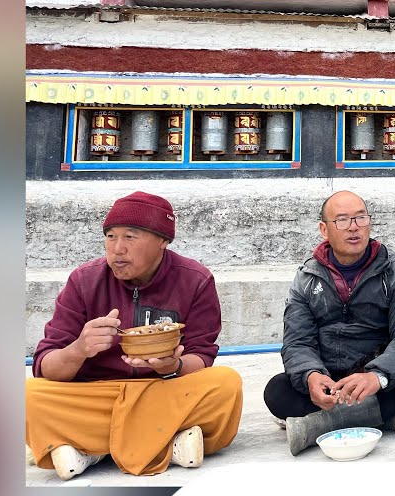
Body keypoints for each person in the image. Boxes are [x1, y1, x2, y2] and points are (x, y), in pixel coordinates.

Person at [26, 192, 243, 480]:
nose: (117, 249)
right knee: (25, 395)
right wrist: (78, 349)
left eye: (130, 237)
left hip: (161, 392)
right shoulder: (84, 281)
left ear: (163, 241)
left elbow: (201, 357)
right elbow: (45, 366)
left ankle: (89, 448)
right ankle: (168, 442)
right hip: (96, 393)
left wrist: (173, 367)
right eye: (111, 236)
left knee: (225, 385)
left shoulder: (195, 280)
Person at [265, 190, 395, 455]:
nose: (354, 228)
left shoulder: (392, 270)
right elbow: (297, 342)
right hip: (331, 378)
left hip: (374, 375)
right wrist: (312, 376)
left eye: (361, 218)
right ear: (324, 229)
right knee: (277, 391)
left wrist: (377, 375)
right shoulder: (307, 278)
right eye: (342, 220)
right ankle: (386, 414)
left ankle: (319, 425)